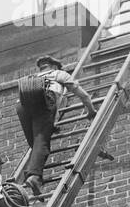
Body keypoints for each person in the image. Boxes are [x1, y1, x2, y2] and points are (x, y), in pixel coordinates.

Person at [16, 54, 96, 198]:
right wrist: (91, 110)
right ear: (54, 66)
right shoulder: (58, 73)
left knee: (36, 144)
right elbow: (83, 95)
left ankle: (33, 175)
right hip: (45, 101)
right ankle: (34, 177)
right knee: (42, 142)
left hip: (22, 106)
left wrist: (50, 126)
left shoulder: (32, 79)